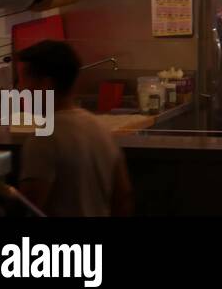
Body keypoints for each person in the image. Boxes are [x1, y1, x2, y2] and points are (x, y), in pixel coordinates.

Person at [15, 41, 134, 216]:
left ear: (46, 85)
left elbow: (29, 209)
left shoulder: (44, 139)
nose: (19, 88)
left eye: (23, 80)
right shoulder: (99, 128)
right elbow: (123, 198)